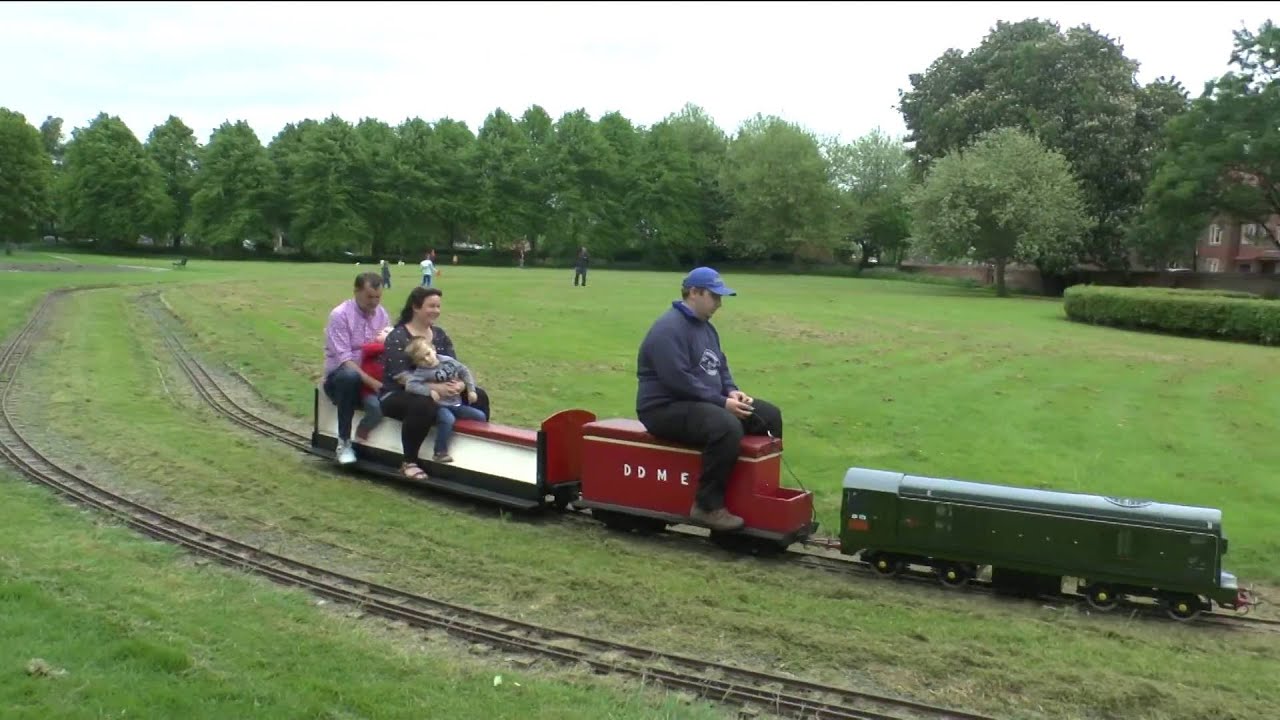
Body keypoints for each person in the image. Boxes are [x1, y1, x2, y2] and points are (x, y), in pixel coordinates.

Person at [634, 267, 783, 532]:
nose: (719, 304)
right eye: (714, 297)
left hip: (701, 402)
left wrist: (732, 391)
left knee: (768, 415)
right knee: (725, 426)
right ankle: (706, 506)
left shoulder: (707, 329)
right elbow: (678, 381)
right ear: (694, 293)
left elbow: (719, 367)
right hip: (664, 408)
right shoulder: (667, 329)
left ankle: (754, 497)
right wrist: (722, 403)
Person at [323, 272, 391, 465]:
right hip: (340, 379)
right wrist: (372, 383)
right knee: (350, 377)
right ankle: (343, 442)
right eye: (369, 297)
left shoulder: (382, 314)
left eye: (378, 297)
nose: (374, 302)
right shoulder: (340, 315)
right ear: (356, 292)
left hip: (371, 376)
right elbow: (344, 360)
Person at [401, 336, 486, 463]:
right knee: (447, 419)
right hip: (439, 406)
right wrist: (429, 391)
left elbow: (464, 371)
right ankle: (439, 451)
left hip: (456, 403)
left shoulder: (448, 361)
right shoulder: (422, 372)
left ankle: (479, 448)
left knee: (480, 416)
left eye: (428, 354)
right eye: (421, 359)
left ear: (434, 349)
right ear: (416, 362)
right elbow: (410, 385)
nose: (427, 359)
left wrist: (471, 389)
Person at [354, 325, 393, 441]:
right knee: (375, 410)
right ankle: (362, 429)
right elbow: (366, 350)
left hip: (383, 392)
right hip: (367, 391)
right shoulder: (373, 347)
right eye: (383, 329)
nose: (381, 331)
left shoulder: (393, 355)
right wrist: (387, 347)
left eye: (386, 332)